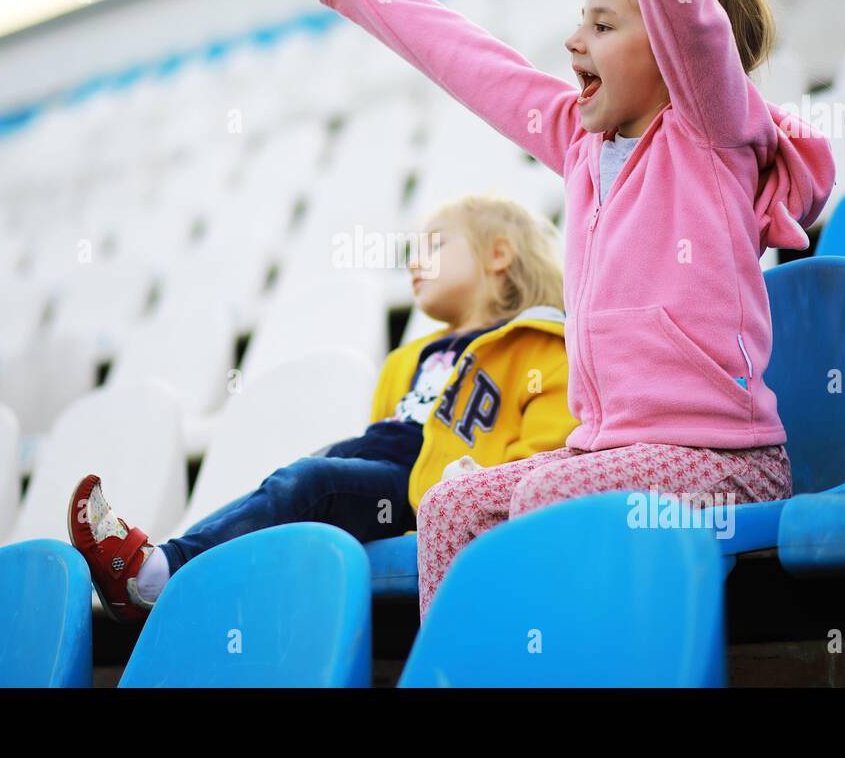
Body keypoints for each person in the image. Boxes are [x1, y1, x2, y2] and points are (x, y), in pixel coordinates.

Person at [315, 0, 836, 616]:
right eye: (578, 22)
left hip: (724, 460)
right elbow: (474, 64)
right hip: (609, 454)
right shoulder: (579, 140)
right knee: (453, 507)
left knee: (548, 495)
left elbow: (683, 5)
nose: (572, 41)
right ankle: (466, 671)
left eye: (601, 25)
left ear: (669, 49)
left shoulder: (708, 129)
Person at [68, 193, 577, 624]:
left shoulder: (541, 343)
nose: (415, 260)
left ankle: (155, 574)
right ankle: (184, 586)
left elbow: (545, 454)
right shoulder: (405, 361)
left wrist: (473, 486)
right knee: (298, 486)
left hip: (434, 487)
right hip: (385, 468)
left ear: (499, 254)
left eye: (436, 244)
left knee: (311, 483)